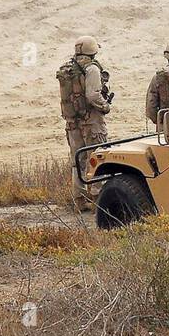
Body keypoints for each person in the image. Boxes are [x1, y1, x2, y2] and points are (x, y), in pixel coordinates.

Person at [56, 35, 112, 210]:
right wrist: (105, 107)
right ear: (93, 50)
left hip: (73, 122)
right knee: (97, 157)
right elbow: (93, 95)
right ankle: (97, 199)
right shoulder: (92, 69)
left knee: (77, 161)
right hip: (92, 121)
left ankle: (79, 200)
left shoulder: (68, 68)